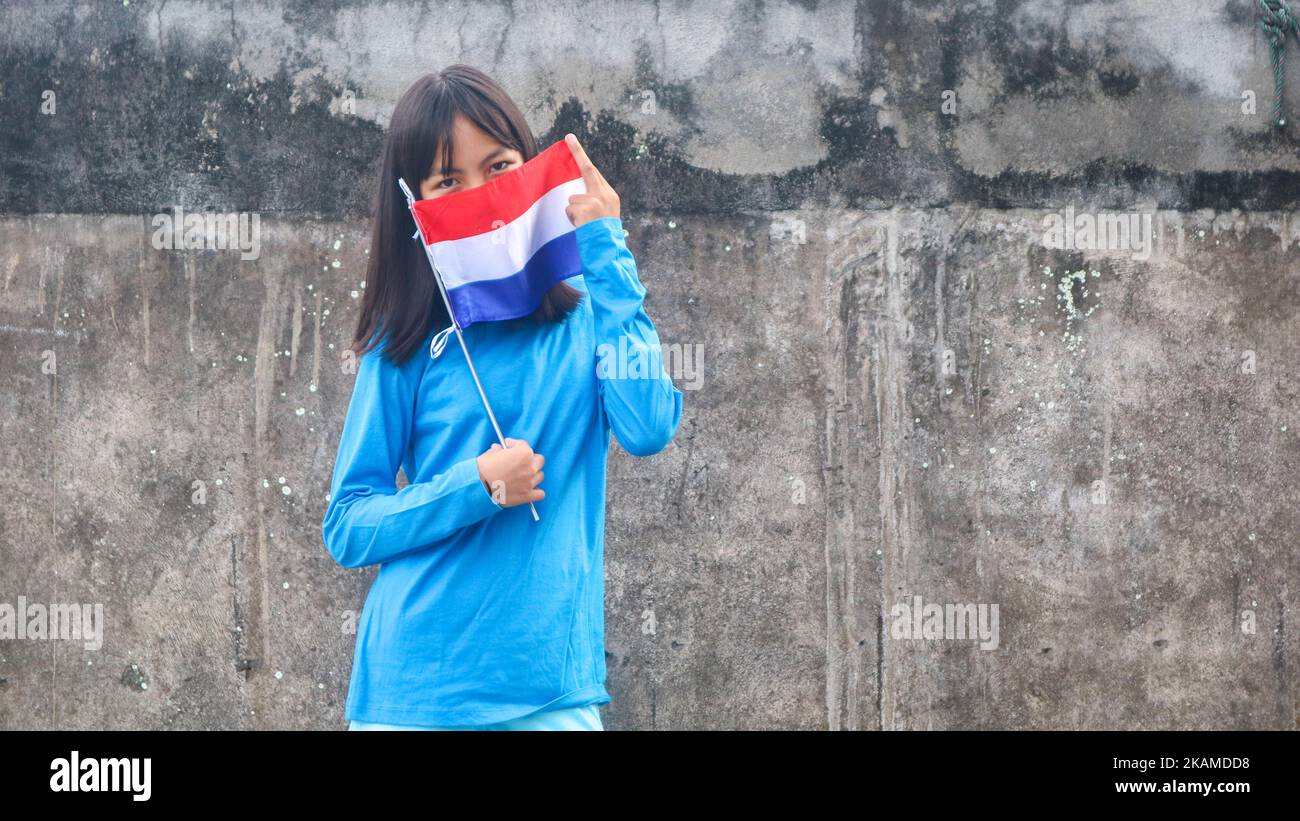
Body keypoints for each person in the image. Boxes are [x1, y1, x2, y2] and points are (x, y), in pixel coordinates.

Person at [322, 64, 683, 731]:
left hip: (551, 696)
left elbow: (648, 426)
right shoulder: (404, 337)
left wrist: (606, 245)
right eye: (447, 181)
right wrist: (475, 484)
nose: (481, 197)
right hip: (414, 698)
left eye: (498, 168)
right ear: (414, 202)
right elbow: (348, 524)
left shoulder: (590, 315)